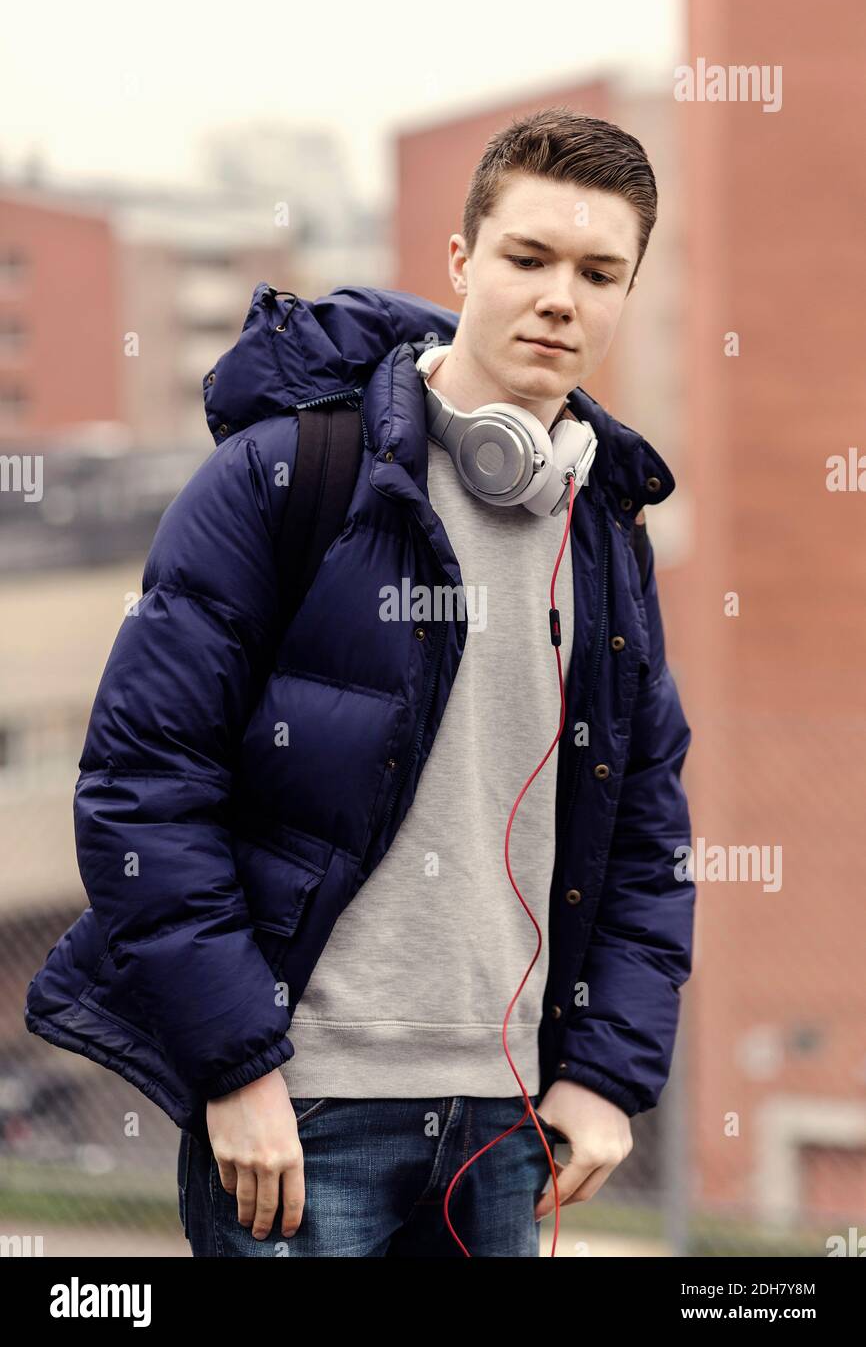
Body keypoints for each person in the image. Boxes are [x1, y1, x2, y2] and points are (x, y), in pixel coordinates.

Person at [25, 107, 694, 1258]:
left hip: (505, 1121)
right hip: (302, 1110)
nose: (558, 297)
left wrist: (605, 1074)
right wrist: (236, 1065)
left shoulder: (605, 530)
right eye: (527, 258)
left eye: (597, 272)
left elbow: (646, 824)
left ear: (627, 291)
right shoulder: (291, 475)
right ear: (458, 261)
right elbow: (143, 787)